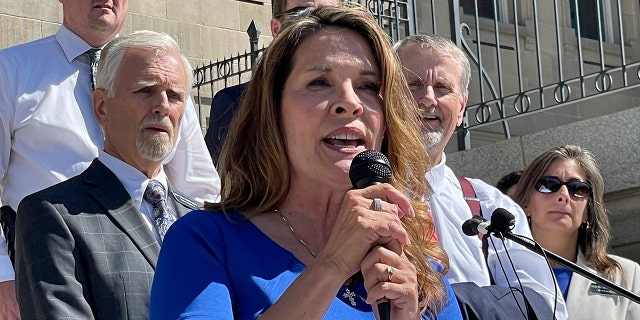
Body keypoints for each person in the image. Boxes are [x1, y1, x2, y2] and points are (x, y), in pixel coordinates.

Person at [150, 5, 463, 320]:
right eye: (319, 82)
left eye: (368, 86)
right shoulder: (205, 242)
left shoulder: (420, 268)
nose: (350, 103)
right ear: (273, 113)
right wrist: (332, 265)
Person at [0, 0, 220, 317]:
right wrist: (5, 281)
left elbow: (199, 187)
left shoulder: (161, 79)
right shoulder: (11, 70)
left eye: (171, 96)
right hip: (50, 270)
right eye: (143, 90)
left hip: (157, 266)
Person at [394, 34, 568, 319]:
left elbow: (545, 309)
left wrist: (449, 303)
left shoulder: (491, 206)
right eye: (412, 84)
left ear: (461, 107)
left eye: (442, 88)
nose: (427, 98)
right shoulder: (353, 193)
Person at [204, 0, 339, 165]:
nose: (321, 26)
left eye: (333, 16)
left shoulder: (361, 102)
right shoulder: (234, 104)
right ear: (277, 28)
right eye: (305, 14)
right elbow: (218, 184)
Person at [512, 144, 640, 319]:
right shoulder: (499, 269)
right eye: (549, 184)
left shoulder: (626, 275)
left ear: (588, 210)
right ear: (526, 203)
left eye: (578, 189)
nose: (563, 194)